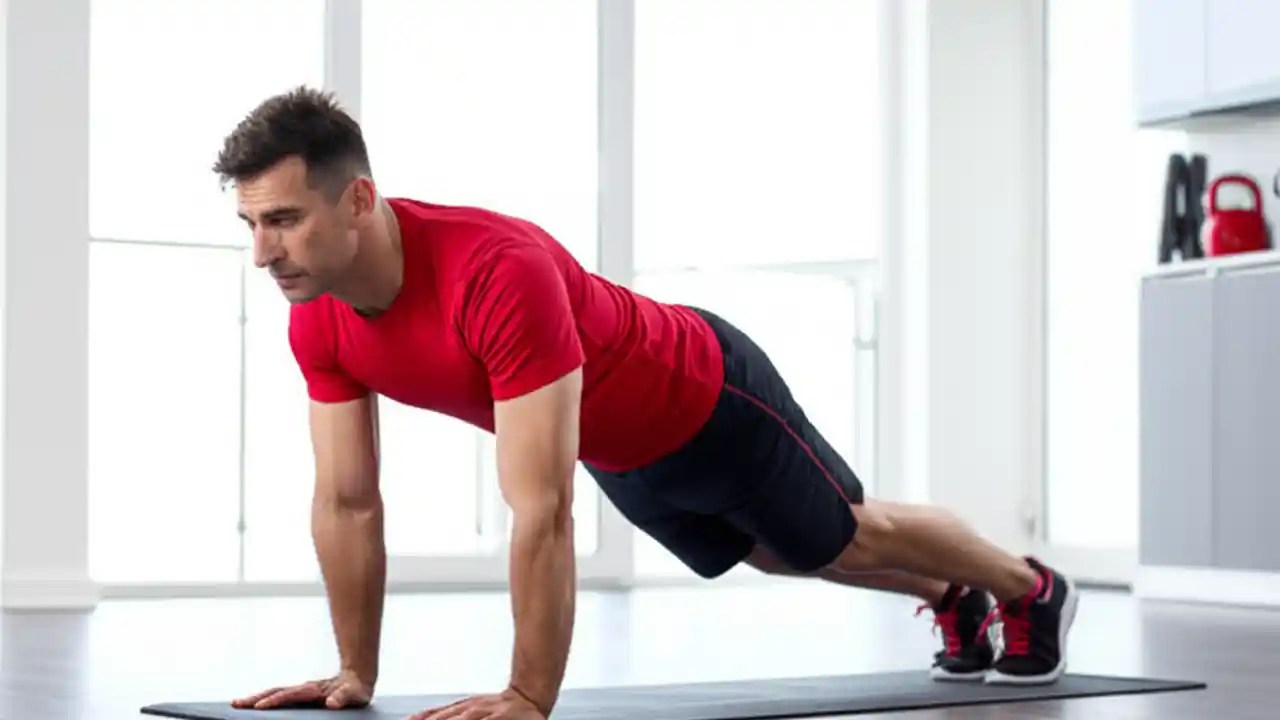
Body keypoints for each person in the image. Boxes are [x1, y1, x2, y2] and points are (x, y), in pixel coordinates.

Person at [217, 87, 1077, 720]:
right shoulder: (318, 315)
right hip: (620, 450)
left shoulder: (495, 271)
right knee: (782, 555)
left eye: (283, 220)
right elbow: (348, 501)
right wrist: (354, 673)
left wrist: (528, 694)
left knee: (848, 534)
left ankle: (1030, 587)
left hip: (708, 395)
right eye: (251, 224)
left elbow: (541, 510)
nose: (263, 253)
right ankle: (956, 596)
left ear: (358, 199)